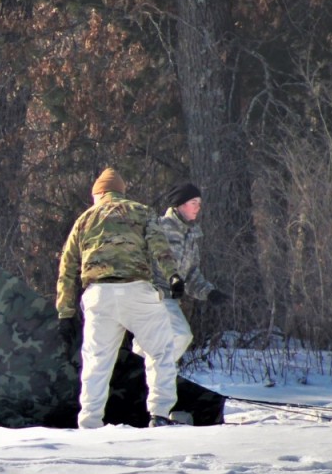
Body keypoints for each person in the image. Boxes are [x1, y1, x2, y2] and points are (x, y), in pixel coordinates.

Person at [55, 168, 186, 429]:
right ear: (120, 192)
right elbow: (159, 246)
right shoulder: (141, 211)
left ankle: (90, 421)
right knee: (161, 352)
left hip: (99, 295)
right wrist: (173, 275)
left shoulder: (85, 219)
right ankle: (159, 414)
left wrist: (65, 313)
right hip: (137, 291)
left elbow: (67, 267)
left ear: (99, 194)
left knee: (97, 360)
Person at [134, 182, 228, 362]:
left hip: (169, 298)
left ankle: (146, 372)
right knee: (180, 334)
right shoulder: (159, 227)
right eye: (193, 202)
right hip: (153, 294)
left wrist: (209, 293)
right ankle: (155, 370)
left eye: (199, 203)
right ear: (180, 204)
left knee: (156, 344)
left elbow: (191, 275)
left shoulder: (191, 235)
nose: (198, 207)